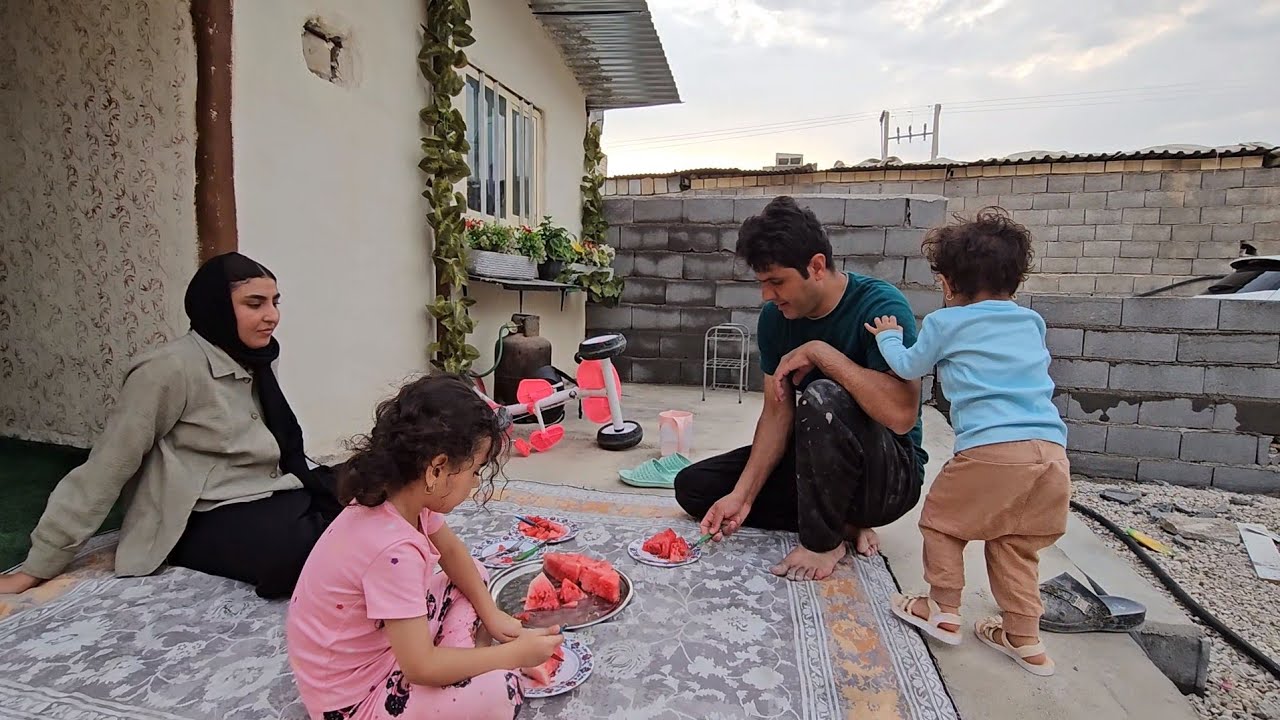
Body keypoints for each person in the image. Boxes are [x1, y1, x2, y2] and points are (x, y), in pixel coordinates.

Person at [0, 252, 343, 599]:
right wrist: (38, 566)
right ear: (216, 307)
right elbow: (107, 467)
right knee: (310, 552)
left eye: (274, 302)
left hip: (269, 491)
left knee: (377, 492)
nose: (271, 316)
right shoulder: (167, 369)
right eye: (254, 304)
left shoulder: (256, 357)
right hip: (200, 514)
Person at [674, 196, 928, 582]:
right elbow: (777, 414)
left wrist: (821, 353)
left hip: (889, 475)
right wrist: (741, 497)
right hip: (817, 465)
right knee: (695, 489)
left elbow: (901, 414)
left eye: (776, 282)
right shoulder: (775, 319)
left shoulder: (880, 305)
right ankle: (843, 521)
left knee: (823, 395)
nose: (767, 295)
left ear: (816, 266)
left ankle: (823, 542)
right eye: (762, 283)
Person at [865, 209, 1069, 677]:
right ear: (1014, 281)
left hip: (992, 450)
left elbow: (910, 367)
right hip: (1051, 454)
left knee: (942, 524)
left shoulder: (944, 323)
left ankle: (941, 609)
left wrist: (890, 337)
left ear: (947, 282)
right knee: (1015, 542)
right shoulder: (1031, 322)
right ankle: (1025, 638)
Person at [286, 373, 561, 720]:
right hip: (353, 701)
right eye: (475, 471)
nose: (476, 483)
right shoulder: (392, 551)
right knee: (502, 691)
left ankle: (460, 665)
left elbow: (452, 554)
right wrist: (513, 656)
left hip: (384, 647)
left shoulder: (402, 497)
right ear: (438, 469)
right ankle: (461, 670)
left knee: (471, 574)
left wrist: (490, 615)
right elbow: (420, 667)